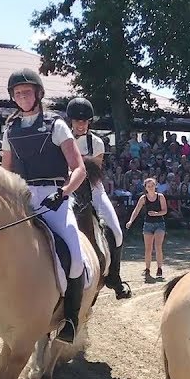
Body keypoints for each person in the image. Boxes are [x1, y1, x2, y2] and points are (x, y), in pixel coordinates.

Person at [0, 68, 89, 343]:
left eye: (26, 92)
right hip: (22, 197)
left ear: (38, 94)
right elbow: (5, 170)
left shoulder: (56, 125)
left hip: (54, 197)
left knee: (75, 257)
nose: (22, 96)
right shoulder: (10, 129)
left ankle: (70, 321)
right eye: (17, 93)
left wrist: (63, 193)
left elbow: (79, 169)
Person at [66, 96, 131, 299]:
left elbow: (93, 172)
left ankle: (114, 277)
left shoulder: (97, 143)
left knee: (117, 232)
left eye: (84, 121)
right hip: (67, 189)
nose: (81, 125)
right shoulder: (61, 139)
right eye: (77, 121)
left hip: (93, 190)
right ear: (71, 121)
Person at [125, 177, 168, 279]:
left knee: (158, 246)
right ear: (146, 188)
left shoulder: (160, 197)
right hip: (148, 224)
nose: (151, 187)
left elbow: (165, 211)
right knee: (148, 249)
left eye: (152, 185)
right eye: (149, 186)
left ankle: (159, 268)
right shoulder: (143, 198)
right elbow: (136, 210)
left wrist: (156, 214)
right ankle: (147, 269)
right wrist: (131, 221)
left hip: (159, 224)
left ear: (155, 186)